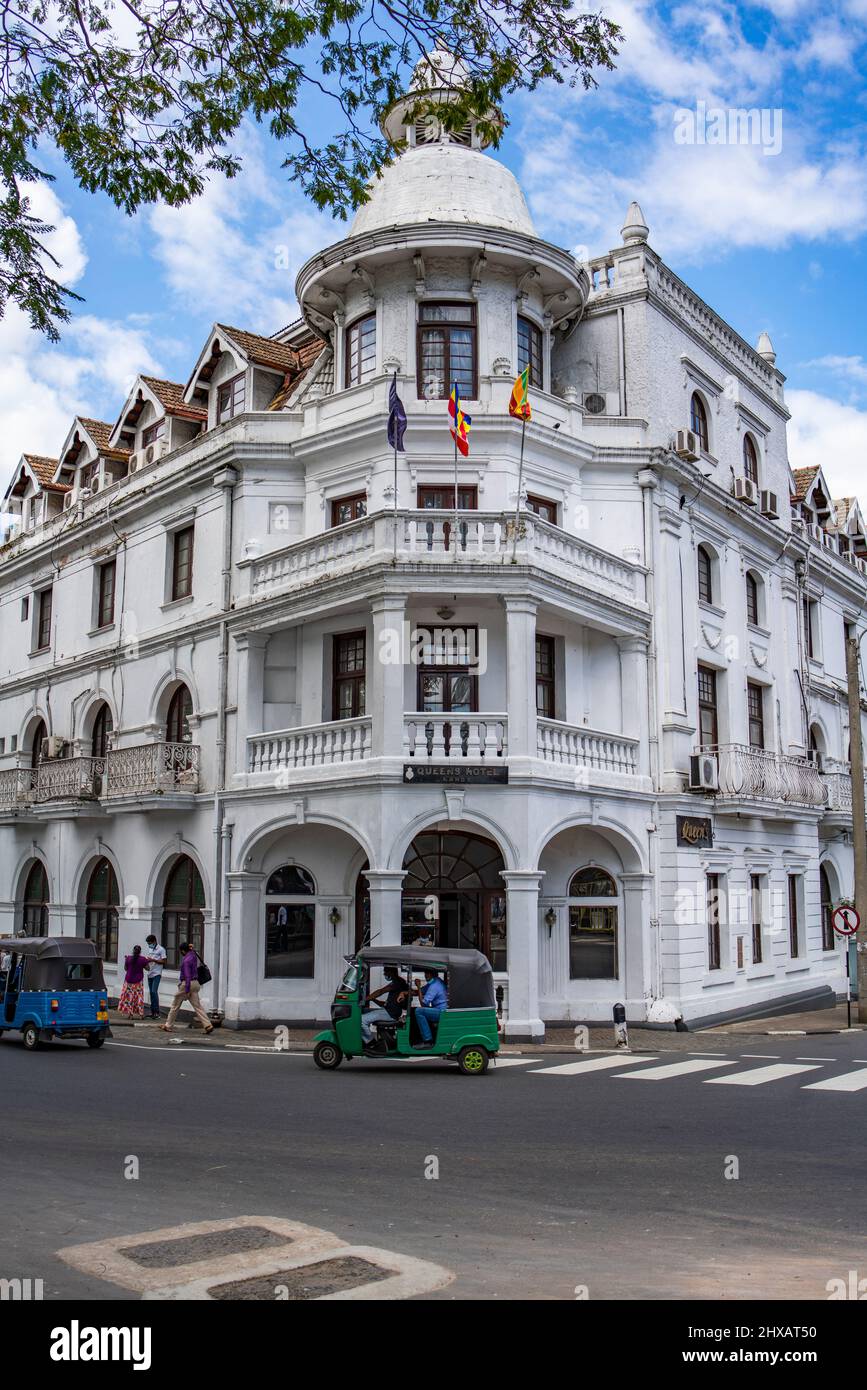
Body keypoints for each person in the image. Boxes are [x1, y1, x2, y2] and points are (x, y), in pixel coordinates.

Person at [161, 941, 214, 1035]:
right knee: (198, 1006)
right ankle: (208, 1025)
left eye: (181, 951)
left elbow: (187, 976)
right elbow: (193, 951)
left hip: (187, 984)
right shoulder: (193, 955)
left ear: (183, 951)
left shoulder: (186, 961)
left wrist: (187, 990)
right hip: (196, 983)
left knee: (175, 1005)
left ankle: (168, 1025)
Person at [361, 965, 408, 1047]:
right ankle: (363, 1039)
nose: (384, 974)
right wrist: (372, 999)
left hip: (391, 1013)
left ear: (391, 972)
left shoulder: (397, 982)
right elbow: (385, 1004)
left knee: (361, 1020)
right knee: (363, 1012)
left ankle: (370, 1043)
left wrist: (365, 999)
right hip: (388, 1010)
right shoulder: (396, 982)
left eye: (385, 971)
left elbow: (381, 991)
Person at [412, 968, 448, 1046]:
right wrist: (404, 992)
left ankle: (427, 1040)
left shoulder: (434, 986)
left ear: (432, 974)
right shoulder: (435, 982)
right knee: (414, 1010)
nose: (425, 975)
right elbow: (420, 991)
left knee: (419, 1011)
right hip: (439, 1010)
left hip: (442, 1012)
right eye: (425, 973)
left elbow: (423, 1004)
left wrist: (418, 986)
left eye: (428, 973)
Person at [118, 944, 148, 1019]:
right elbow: (148, 968)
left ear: (133, 951)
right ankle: (141, 1014)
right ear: (140, 951)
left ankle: (130, 1014)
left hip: (128, 981)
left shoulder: (128, 958)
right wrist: (146, 962)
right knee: (138, 998)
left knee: (129, 998)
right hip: (138, 981)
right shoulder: (143, 959)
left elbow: (125, 968)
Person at [144, 934, 167, 1019]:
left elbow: (164, 961)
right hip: (150, 972)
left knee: (154, 991)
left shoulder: (161, 949)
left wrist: (153, 960)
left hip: (157, 973)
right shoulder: (150, 948)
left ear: (154, 941)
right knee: (151, 993)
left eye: (150, 943)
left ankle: (157, 1012)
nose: (149, 944)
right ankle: (152, 1012)